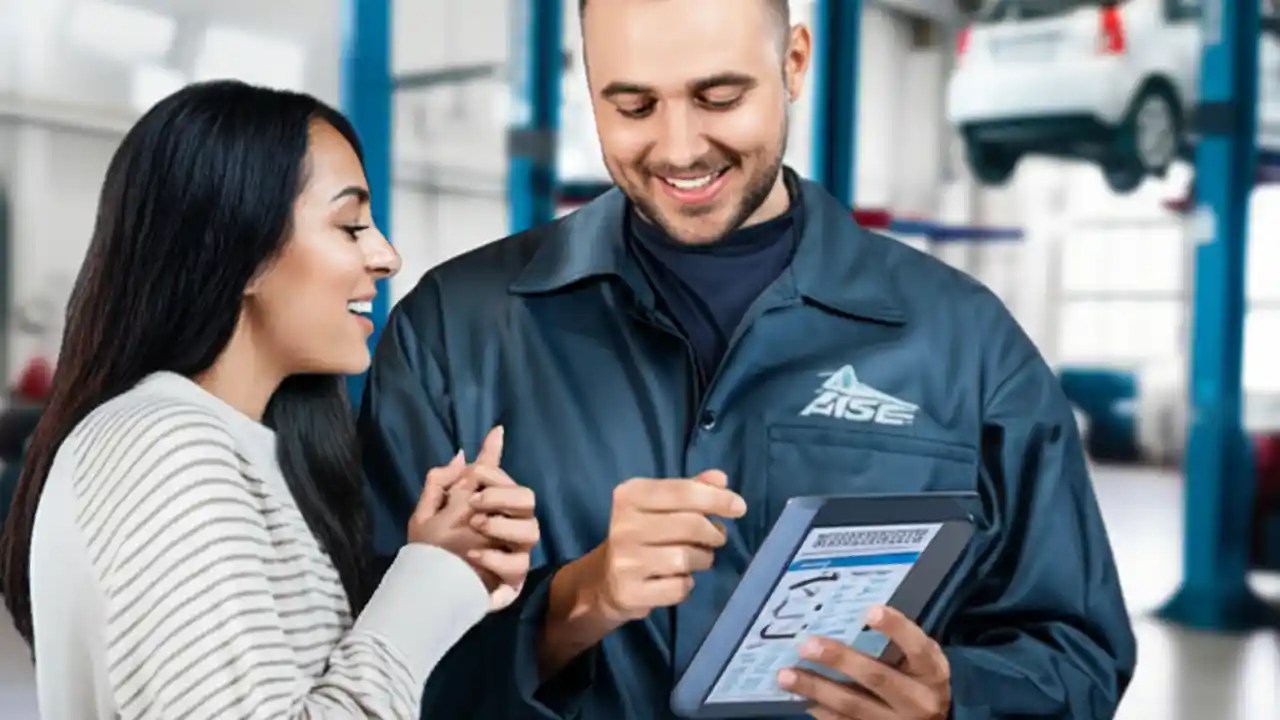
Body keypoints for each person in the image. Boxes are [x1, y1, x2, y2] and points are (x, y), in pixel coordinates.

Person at [358, 0, 1137, 718]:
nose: (680, 147)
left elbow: (1077, 650)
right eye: (631, 106)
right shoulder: (455, 332)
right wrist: (572, 606)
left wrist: (950, 700)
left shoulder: (964, 345)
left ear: (794, 63)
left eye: (719, 98)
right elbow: (363, 663)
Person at [0, 79, 540, 720]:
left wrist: (448, 571)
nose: (387, 256)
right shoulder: (161, 449)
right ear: (241, 252)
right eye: (350, 225)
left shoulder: (239, 450)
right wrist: (430, 577)